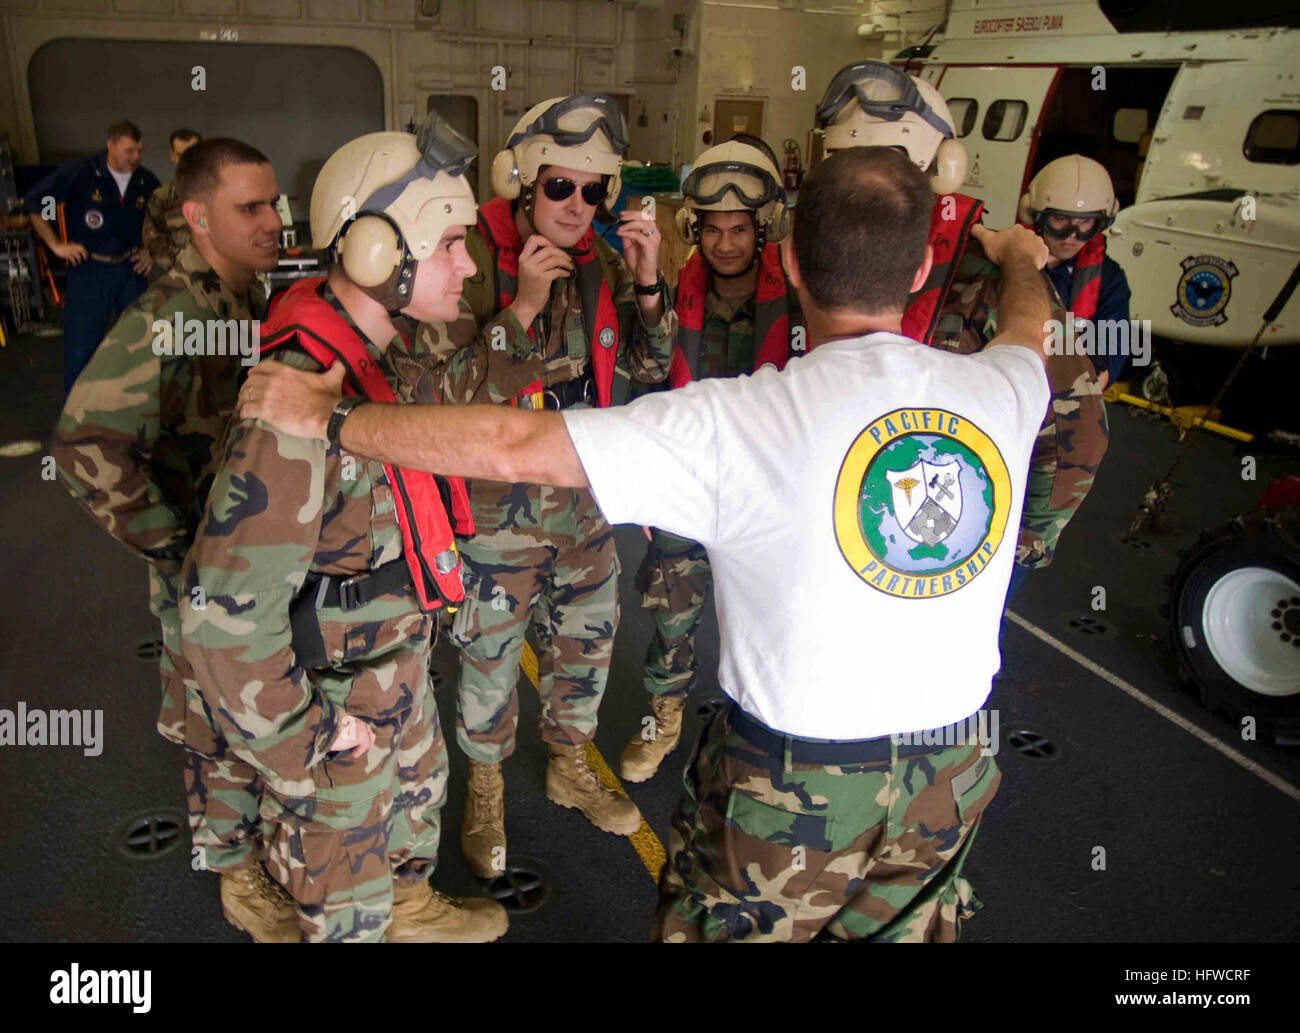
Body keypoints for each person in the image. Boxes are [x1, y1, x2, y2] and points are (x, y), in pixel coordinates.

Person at [237, 146, 1055, 942]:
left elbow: (515, 444)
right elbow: (1029, 322)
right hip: (953, 773)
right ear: (919, 274)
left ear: (792, 266)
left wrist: (331, 417)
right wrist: (1020, 256)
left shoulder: (741, 421)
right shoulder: (1004, 387)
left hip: (796, 789)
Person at [178, 116, 521, 944]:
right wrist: (312, 738)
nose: (469, 265)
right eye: (449, 245)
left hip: (390, 670)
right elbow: (220, 620)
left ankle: (407, 903)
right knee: (340, 914)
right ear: (375, 253)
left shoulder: (377, 357)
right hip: (336, 707)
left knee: (404, 844)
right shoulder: (298, 399)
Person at [50, 138, 294, 941]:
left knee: (249, 711)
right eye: (248, 209)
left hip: (252, 573)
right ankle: (230, 872)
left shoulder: (250, 301)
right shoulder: (176, 315)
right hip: (205, 573)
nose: (271, 222)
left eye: (273, 204)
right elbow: (85, 442)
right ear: (197, 217)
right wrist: (180, 545)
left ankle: (260, 845)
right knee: (214, 725)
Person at [438, 93, 675, 879]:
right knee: (489, 660)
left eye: (593, 191)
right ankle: (486, 791)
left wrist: (647, 286)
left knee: (587, 651)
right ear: (520, 182)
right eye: (560, 188)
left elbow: (644, 376)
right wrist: (522, 307)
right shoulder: (469, 261)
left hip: (586, 508)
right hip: (496, 516)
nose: (579, 207)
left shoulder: (601, 266)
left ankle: (569, 765)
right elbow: (444, 399)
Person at [816, 60, 1108, 593]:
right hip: (837, 538)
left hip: (934, 550)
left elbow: (1077, 429)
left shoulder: (996, 279)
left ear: (940, 171)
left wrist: (1014, 545)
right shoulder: (821, 260)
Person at [620, 135, 804, 783]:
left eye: (740, 229)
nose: (726, 244)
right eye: (714, 229)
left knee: (771, 616)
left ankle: (759, 730)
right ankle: (663, 717)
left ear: (765, 229)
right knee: (672, 608)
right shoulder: (674, 294)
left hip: (770, 484)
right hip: (691, 481)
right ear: (696, 229)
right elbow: (645, 374)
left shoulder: (800, 299)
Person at [23, 120, 160, 393]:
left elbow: (160, 222)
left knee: (140, 343)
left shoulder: (145, 181)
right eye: (129, 151)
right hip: (90, 270)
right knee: (82, 347)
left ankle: (136, 410)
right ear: (111, 145)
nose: (135, 158)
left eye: (139, 151)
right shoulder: (81, 173)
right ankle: (75, 421)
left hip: (130, 271)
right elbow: (35, 203)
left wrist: (150, 252)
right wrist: (56, 245)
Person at [1020, 154, 1132, 389]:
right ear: (1037, 216)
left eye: (1084, 223)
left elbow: (1108, 357)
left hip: (1060, 397)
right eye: (1060, 219)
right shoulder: (1008, 258)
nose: (1072, 235)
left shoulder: (1109, 280)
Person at [142, 128, 202, 281]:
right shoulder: (161, 197)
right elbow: (153, 239)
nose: (186, 162)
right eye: (180, 155)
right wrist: (178, 263)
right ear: (172, 156)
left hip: (216, 277)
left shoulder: (221, 195)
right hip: (176, 278)